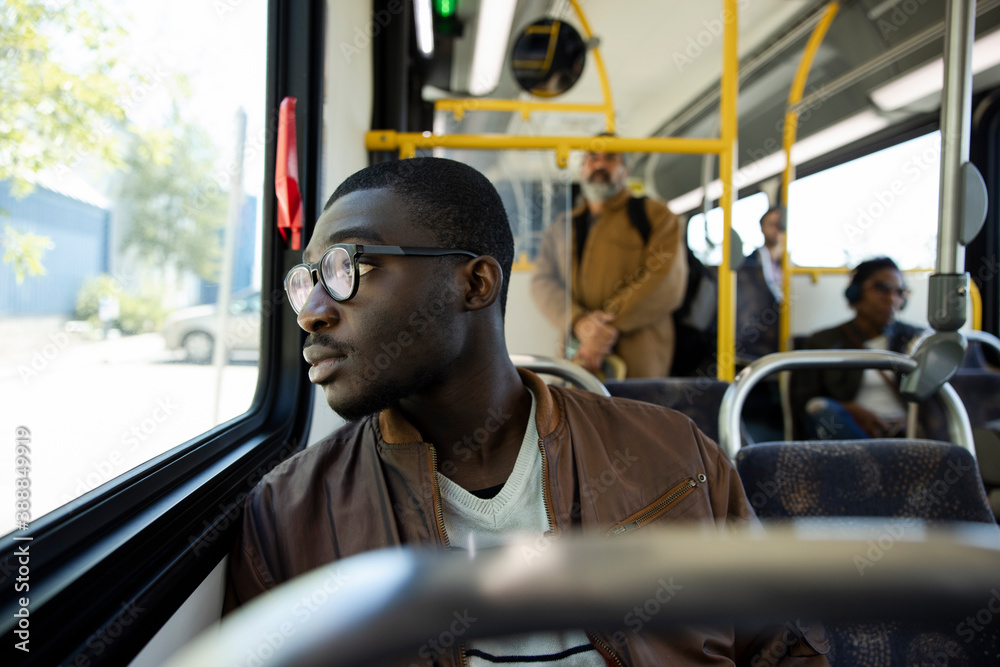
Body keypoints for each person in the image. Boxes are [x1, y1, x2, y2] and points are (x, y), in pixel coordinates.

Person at [225, 157, 828, 665]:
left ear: (476, 283)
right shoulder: (289, 513)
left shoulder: (673, 454)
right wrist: (580, 321)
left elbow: (774, 650)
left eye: (348, 268)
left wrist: (609, 320)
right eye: (308, 280)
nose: (311, 312)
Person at [531, 138, 688, 378]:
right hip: (576, 353)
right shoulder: (561, 226)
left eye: (611, 158)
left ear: (625, 170)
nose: (600, 164)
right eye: (592, 158)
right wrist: (579, 321)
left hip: (638, 357)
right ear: (582, 168)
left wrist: (603, 329)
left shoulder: (656, 216)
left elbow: (667, 278)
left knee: (634, 414)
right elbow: (541, 281)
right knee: (573, 412)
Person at [789, 257, 924, 440]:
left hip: (903, 434)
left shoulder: (916, 340)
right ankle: (867, 460)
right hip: (851, 433)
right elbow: (805, 402)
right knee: (822, 409)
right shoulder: (823, 342)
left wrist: (911, 420)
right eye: (882, 288)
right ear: (855, 292)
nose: (892, 299)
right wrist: (848, 409)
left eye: (899, 292)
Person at [742, 206, 785, 303]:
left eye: (780, 225)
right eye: (772, 224)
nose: (777, 229)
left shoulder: (792, 267)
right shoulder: (748, 264)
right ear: (762, 228)